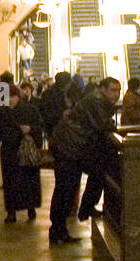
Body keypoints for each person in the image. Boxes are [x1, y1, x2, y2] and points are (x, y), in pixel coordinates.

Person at [50, 76, 121, 242]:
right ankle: (58, 230)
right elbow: (102, 124)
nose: (116, 95)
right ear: (102, 89)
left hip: (73, 148)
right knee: (65, 189)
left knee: (86, 179)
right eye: (113, 90)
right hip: (70, 148)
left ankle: (77, 216)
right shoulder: (96, 101)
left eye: (118, 91)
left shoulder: (96, 100)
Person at [0, 84, 42, 223]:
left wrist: (30, 129)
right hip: (10, 151)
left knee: (28, 181)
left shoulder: (30, 109)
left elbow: (39, 127)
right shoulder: (2, 112)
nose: (9, 100)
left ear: (17, 97)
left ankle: (30, 207)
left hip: (26, 151)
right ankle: (11, 212)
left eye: (11, 97)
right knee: (10, 183)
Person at [39, 70, 72, 138]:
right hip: (54, 129)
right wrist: (61, 114)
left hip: (66, 129)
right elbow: (46, 113)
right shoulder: (48, 94)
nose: (69, 85)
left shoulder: (68, 93)